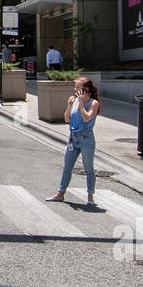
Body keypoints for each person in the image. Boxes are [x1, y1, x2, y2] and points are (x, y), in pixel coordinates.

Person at [48, 76, 100, 206]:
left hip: (86, 138)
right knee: (67, 166)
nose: (75, 89)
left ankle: (90, 196)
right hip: (73, 137)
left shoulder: (94, 103)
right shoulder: (75, 100)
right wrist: (70, 105)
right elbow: (66, 119)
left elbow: (87, 118)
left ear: (85, 89)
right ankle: (60, 193)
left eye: (77, 86)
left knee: (88, 168)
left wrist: (81, 103)